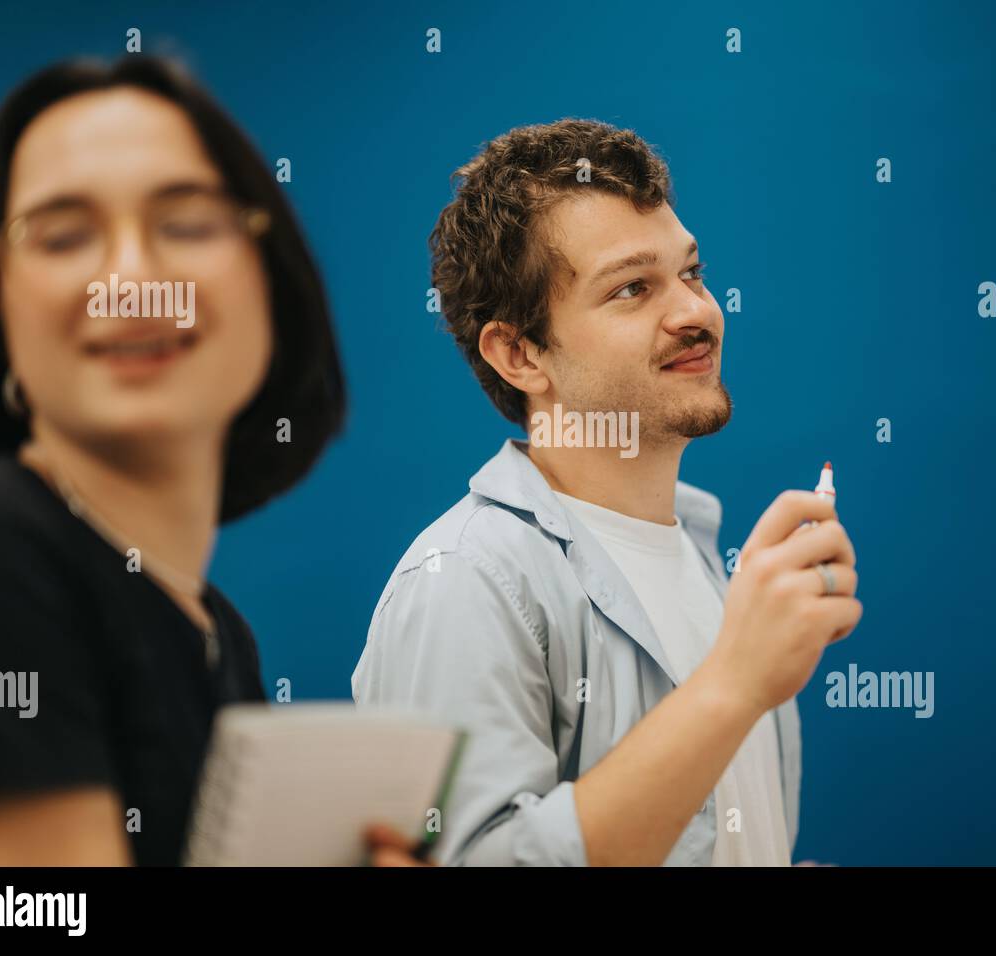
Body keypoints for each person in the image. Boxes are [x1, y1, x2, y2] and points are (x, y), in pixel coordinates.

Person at [352, 119, 862, 866]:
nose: (696, 313)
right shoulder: (467, 583)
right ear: (520, 353)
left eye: (691, 272)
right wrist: (734, 684)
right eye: (633, 288)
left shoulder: (709, 568)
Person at [0, 56, 345, 865]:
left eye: (188, 224)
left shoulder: (218, 632)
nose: (132, 282)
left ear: (268, 278)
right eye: (61, 236)